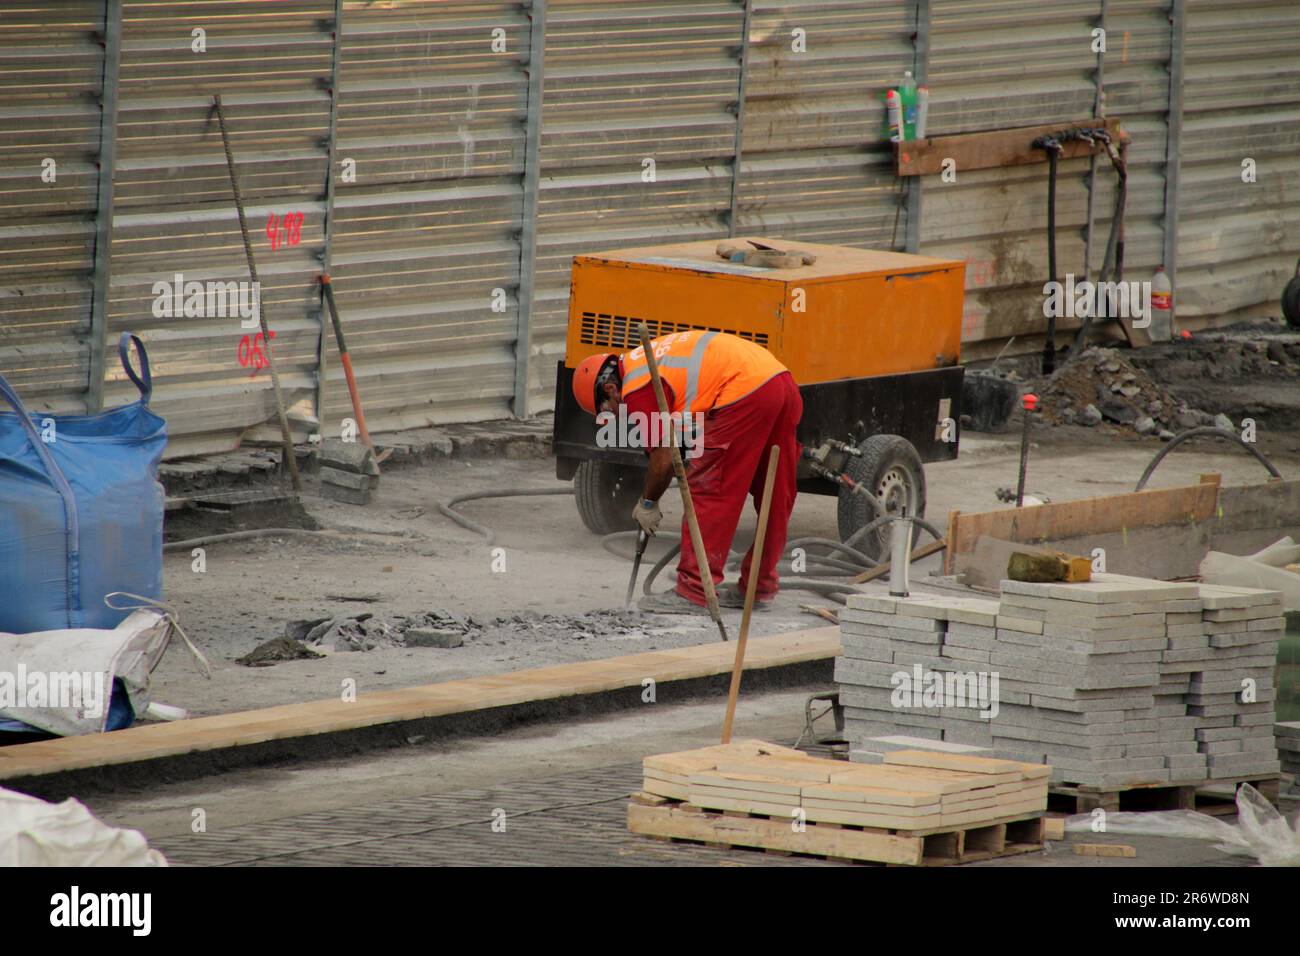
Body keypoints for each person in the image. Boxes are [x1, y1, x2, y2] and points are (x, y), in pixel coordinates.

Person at [572, 331, 802, 614]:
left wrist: (648, 503)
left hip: (743, 391)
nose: (616, 417)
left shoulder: (636, 385)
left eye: (608, 410)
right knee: (775, 492)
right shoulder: (647, 359)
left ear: (609, 389)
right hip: (780, 380)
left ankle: (694, 590)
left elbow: (663, 456)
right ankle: (759, 586)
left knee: (710, 488)